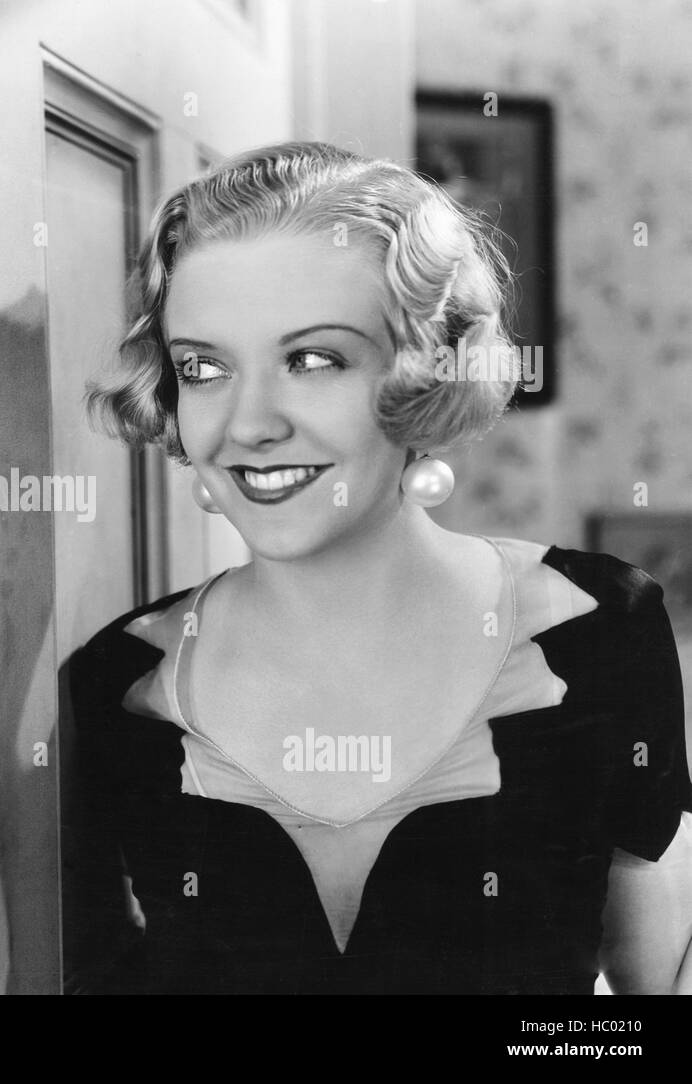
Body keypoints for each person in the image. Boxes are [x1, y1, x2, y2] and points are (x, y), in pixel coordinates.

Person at [67, 141, 692, 994]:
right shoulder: (114, 687)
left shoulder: (600, 629)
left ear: (422, 372)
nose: (247, 424)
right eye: (203, 368)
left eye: (314, 359)